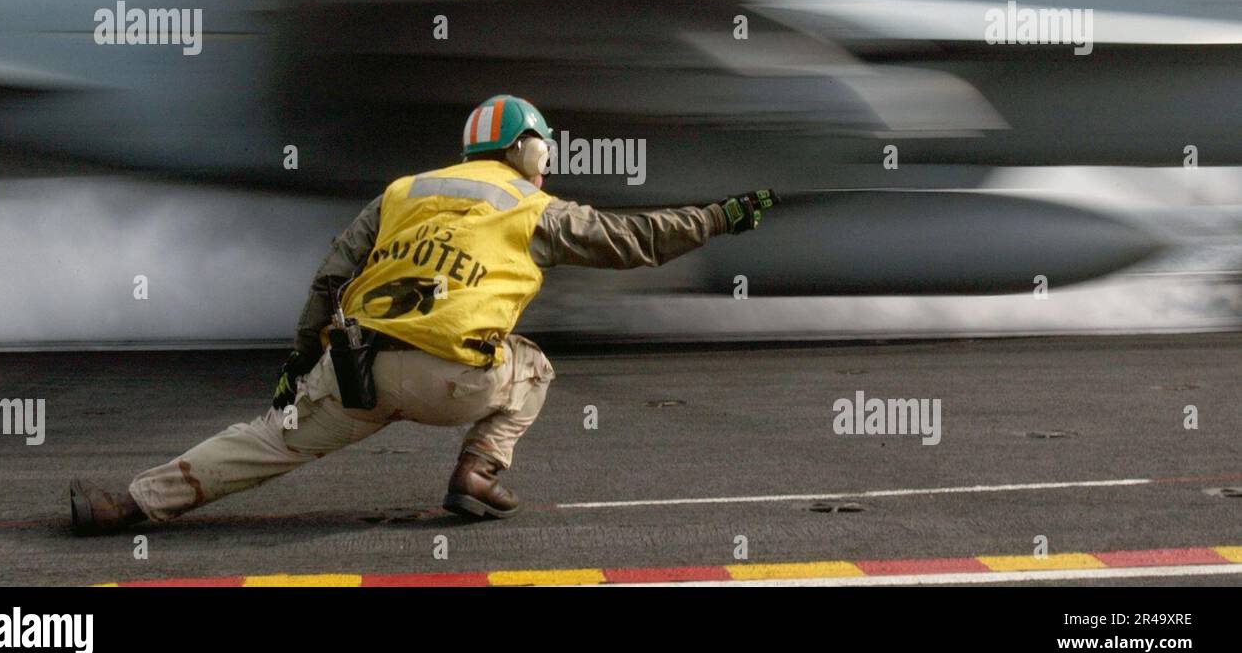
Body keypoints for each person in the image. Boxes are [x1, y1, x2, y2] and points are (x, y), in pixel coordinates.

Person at [69, 95, 777, 533]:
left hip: (356, 369)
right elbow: (637, 240)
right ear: (529, 148)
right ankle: (475, 471)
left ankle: (125, 506)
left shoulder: (404, 189)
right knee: (533, 365)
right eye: (544, 147)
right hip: (456, 376)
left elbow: (332, 273)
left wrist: (295, 362)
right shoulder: (535, 206)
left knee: (267, 439)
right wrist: (720, 216)